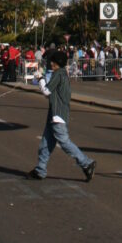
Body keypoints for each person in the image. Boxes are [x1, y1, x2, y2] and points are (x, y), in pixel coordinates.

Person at [29, 50, 95, 181]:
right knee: (46, 143)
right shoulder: (61, 73)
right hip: (54, 112)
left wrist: (40, 78)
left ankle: (86, 163)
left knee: (64, 142)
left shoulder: (58, 74)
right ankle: (40, 169)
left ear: (57, 63)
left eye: (52, 61)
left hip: (58, 114)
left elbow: (47, 91)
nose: (50, 63)